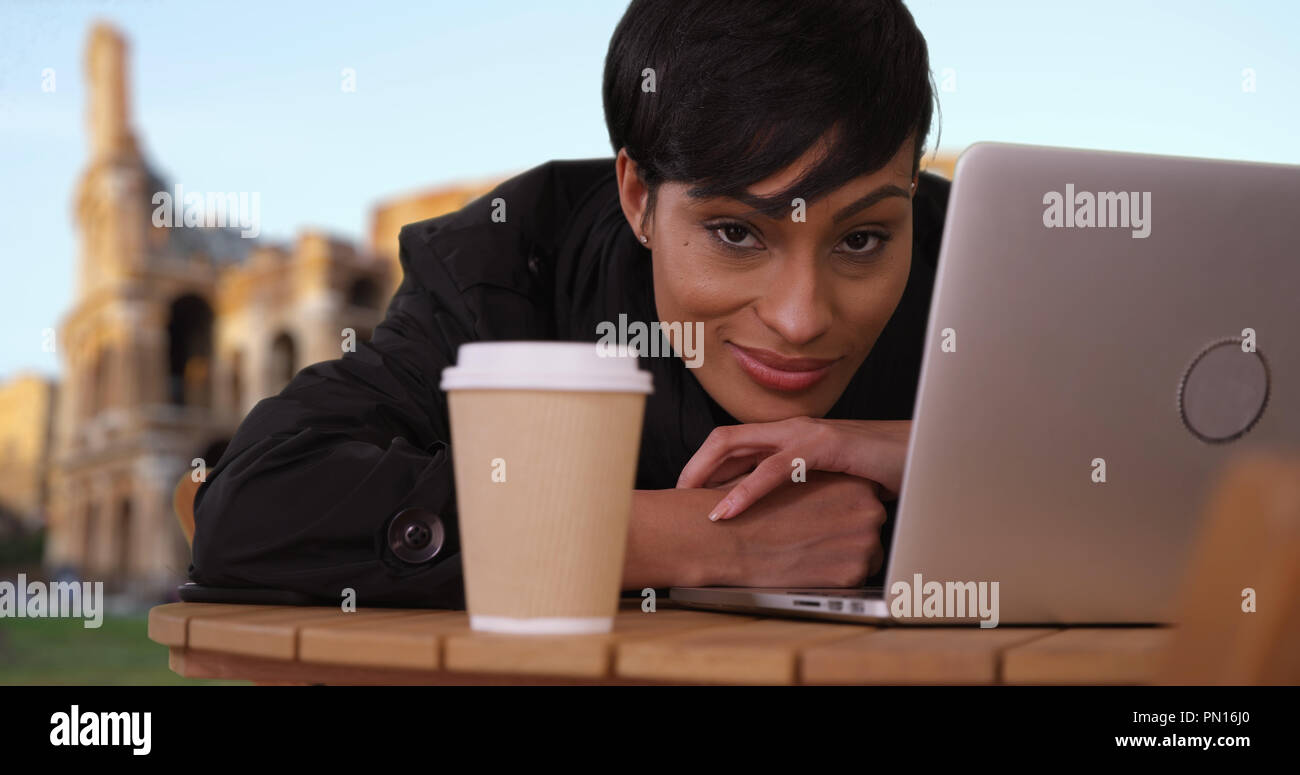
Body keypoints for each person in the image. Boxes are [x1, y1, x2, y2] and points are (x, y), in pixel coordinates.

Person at [189, 0, 949, 608]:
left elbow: (1077, 461)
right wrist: (683, 539)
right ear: (638, 197)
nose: (801, 317)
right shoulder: (503, 268)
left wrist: (942, 456)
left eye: (862, 240)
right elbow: (255, 504)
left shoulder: (977, 254)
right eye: (734, 232)